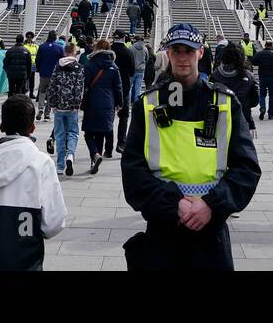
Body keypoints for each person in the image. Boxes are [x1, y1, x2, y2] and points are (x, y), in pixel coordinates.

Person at [120, 23, 260, 270]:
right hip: (163, 227)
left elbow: (247, 167)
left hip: (210, 228)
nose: (183, 57)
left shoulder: (225, 103)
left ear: (201, 53)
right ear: (168, 53)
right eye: (177, 50)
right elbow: (133, 169)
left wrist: (212, 205)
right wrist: (173, 204)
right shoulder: (148, 104)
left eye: (189, 50)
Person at [0, 95, 66, 270]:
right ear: (32, 127)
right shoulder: (41, 162)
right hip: (26, 260)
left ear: (1, 126)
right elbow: (53, 223)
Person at [82, 38, 124, 172]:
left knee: (88, 132)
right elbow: (118, 87)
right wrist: (119, 103)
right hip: (108, 102)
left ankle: (94, 155)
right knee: (100, 133)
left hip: (92, 102)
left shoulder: (90, 64)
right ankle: (96, 157)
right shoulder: (113, 66)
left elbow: (84, 85)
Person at [46, 41, 86, 174]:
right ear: (74, 52)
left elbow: (52, 86)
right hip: (72, 107)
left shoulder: (58, 66)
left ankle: (60, 165)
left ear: (64, 52)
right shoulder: (79, 67)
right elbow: (79, 87)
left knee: (59, 134)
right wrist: (77, 104)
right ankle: (70, 154)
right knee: (73, 133)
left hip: (59, 106)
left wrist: (52, 103)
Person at [213, 43, 258, 138]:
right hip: (243, 121)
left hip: (219, 122)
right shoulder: (248, 76)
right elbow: (255, 101)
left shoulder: (215, 76)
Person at [110, 32, 136, 150]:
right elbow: (132, 71)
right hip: (124, 86)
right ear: (124, 38)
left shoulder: (109, 50)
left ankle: (108, 147)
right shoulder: (128, 51)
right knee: (123, 116)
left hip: (108, 87)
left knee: (108, 117)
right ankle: (121, 143)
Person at [35, 30, 65, 121]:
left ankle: (40, 107)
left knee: (42, 91)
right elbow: (62, 61)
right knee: (51, 93)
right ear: (55, 37)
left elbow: (38, 59)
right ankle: (47, 113)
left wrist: (39, 69)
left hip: (44, 73)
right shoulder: (59, 48)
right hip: (54, 74)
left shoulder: (42, 47)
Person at [252, 40, 273, 120]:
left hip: (262, 76)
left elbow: (253, 62)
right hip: (272, 76)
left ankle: (262, 108)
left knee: (262, 94)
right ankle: (271, 114)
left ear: (265, 45)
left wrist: (260, 63)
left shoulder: (259, 54)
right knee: (272, 95)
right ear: (272, 46)